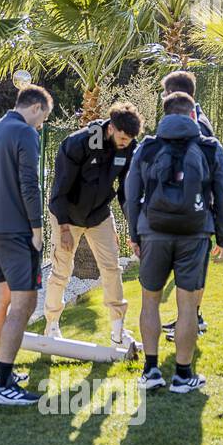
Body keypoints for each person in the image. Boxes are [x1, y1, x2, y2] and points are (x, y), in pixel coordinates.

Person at [125, 92, 223, 393]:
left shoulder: (148, 146)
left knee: (150, 301)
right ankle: (183, 375)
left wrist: (135, 234)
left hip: (153, 231)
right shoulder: (209, 148)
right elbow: (222, 197)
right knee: (186, 306)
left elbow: (132, 195)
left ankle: (151, 370)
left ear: (165, 114)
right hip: (195, 233)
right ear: (192, 115)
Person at [44, 102, 142, 354]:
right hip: (67, 214)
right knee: (62, 269)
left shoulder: (129, 148)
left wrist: (133, 231)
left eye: (130, 139)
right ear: (111, 128)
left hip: (99, 215)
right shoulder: (79, 143)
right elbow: (60, 191)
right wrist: (64, 229)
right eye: (122, 137)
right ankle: (52, 324)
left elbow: (126, 193)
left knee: (112, 267)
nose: (125, 143)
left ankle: (118, 330)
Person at [0, 84, 54, 406]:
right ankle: (2, 383)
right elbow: (29, 184)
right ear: (35, 107)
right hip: (16, 232)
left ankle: (1, 372)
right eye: (43, 118)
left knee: (0, 301)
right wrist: (37, 229)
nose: (41, 125)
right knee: (24, 304)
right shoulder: (25, 134)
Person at [159, 69, 213, 341]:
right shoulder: (189, 119)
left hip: (193, 210)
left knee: (194, 270)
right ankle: (188, 317)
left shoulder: (197, 124)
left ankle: (195, 317)